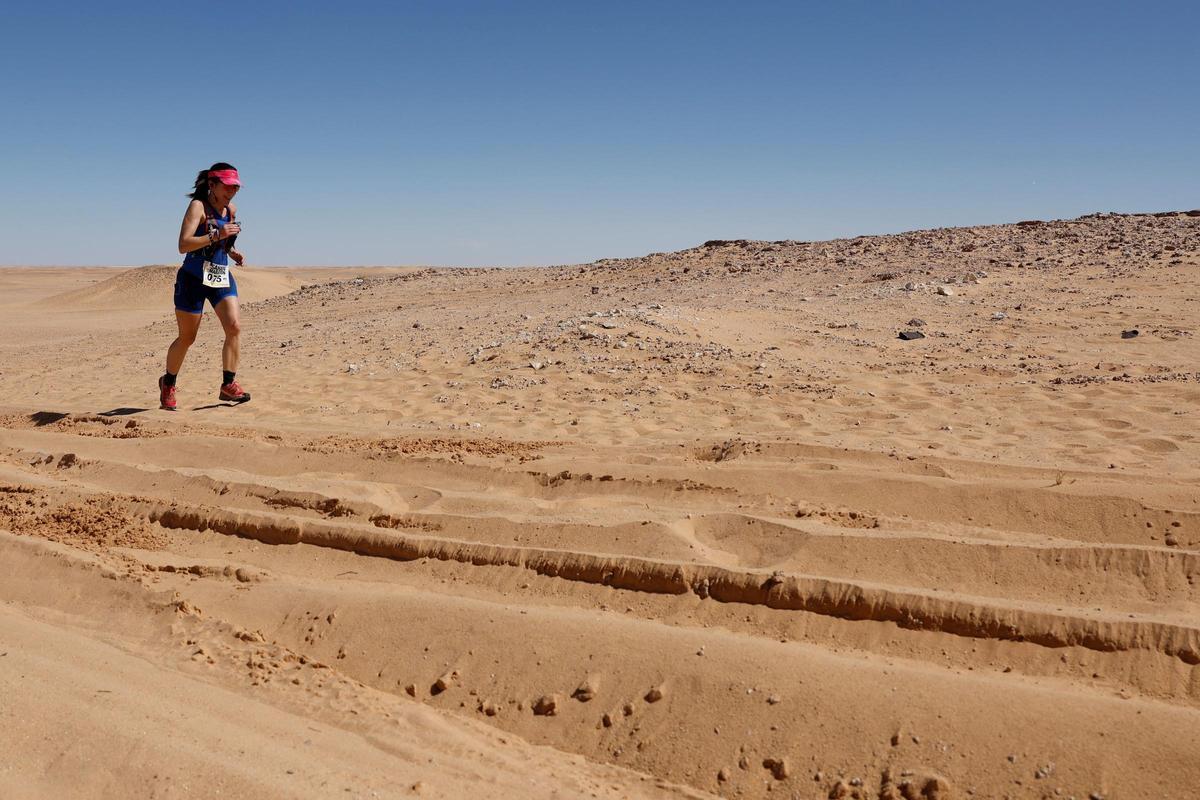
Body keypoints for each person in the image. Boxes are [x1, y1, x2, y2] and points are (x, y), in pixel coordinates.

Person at [159, 162, 251, 410]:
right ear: (212, 184)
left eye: (236, 187)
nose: (232, 191)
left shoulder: (230, 210)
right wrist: (216, 235)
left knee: (234, 326)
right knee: (187, 338)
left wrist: (231, 251)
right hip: (193, 278)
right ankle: (168, 383)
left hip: (219, 274)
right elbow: (184, 244)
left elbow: (224, 242)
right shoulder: (198, 207)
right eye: (227, 186)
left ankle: (228, 384)